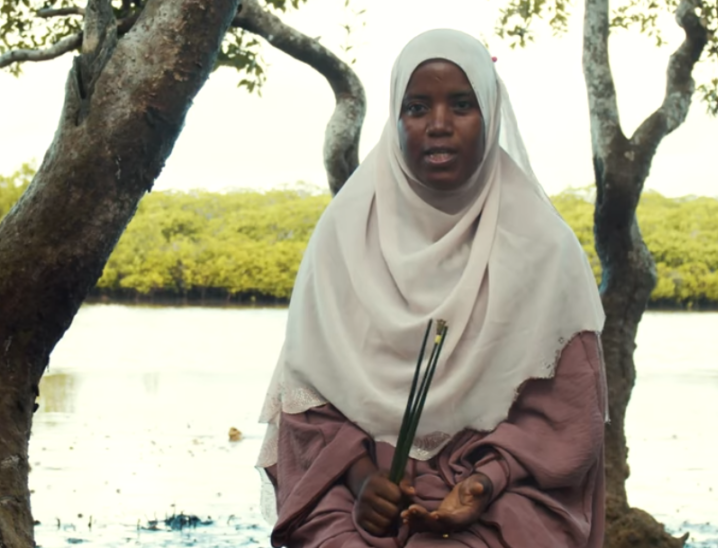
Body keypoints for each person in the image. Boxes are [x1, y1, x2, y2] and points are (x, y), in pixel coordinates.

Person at [256, 28, 607, 548]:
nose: (439, 125)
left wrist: (484, 483)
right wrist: (363, 483)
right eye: (417, 107)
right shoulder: (344, 235)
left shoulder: (544, 248)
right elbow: (306, 401)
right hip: (356, 487)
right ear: (395, 119)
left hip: (503, 491)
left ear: (490, 114)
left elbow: (569, 417)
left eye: (462, 105)